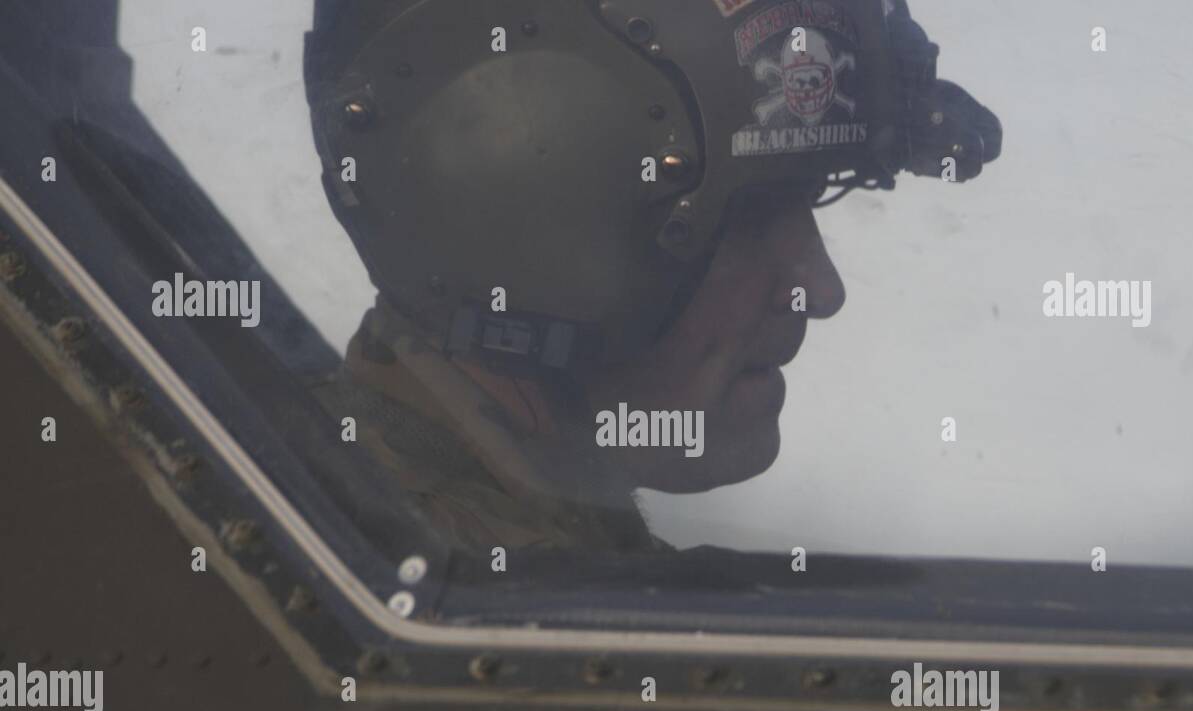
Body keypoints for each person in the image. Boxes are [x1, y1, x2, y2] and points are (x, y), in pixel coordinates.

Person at [302, 0, 1000, 554]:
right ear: (519, 212)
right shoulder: (470, 653)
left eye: (811, 194)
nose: (821, 290)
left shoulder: (508, 578)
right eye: (746, 217)